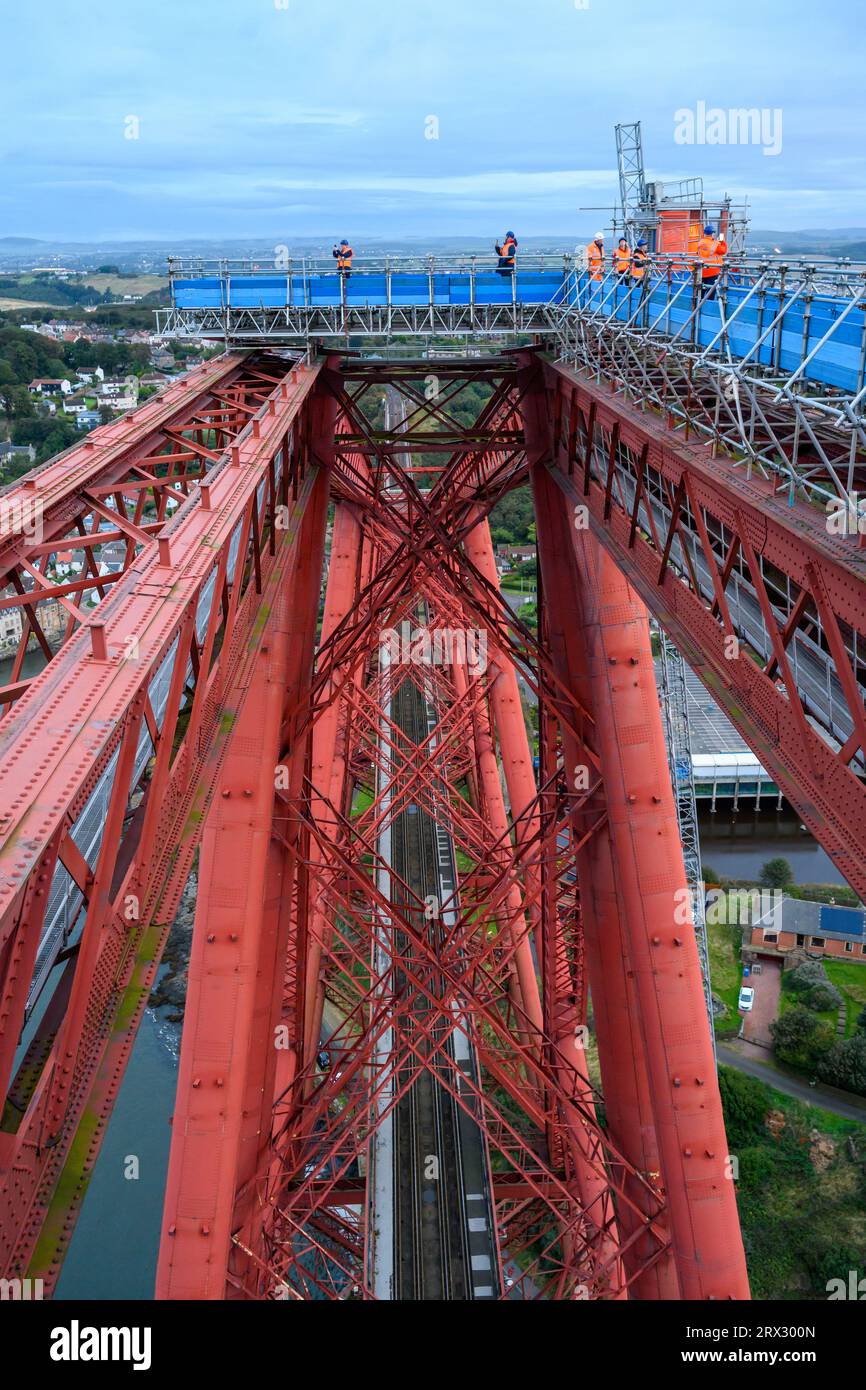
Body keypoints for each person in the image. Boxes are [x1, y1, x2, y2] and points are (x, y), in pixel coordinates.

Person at [696, 224, 727, 300]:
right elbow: (723, 251)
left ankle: (698, 306)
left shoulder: (700, 242)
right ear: (712, 233)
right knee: (711, 291)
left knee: (701, 290)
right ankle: (708, 307)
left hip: (702, 270)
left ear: (705, 233)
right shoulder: (715, 243)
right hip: (712, 271)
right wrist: (722, 241)